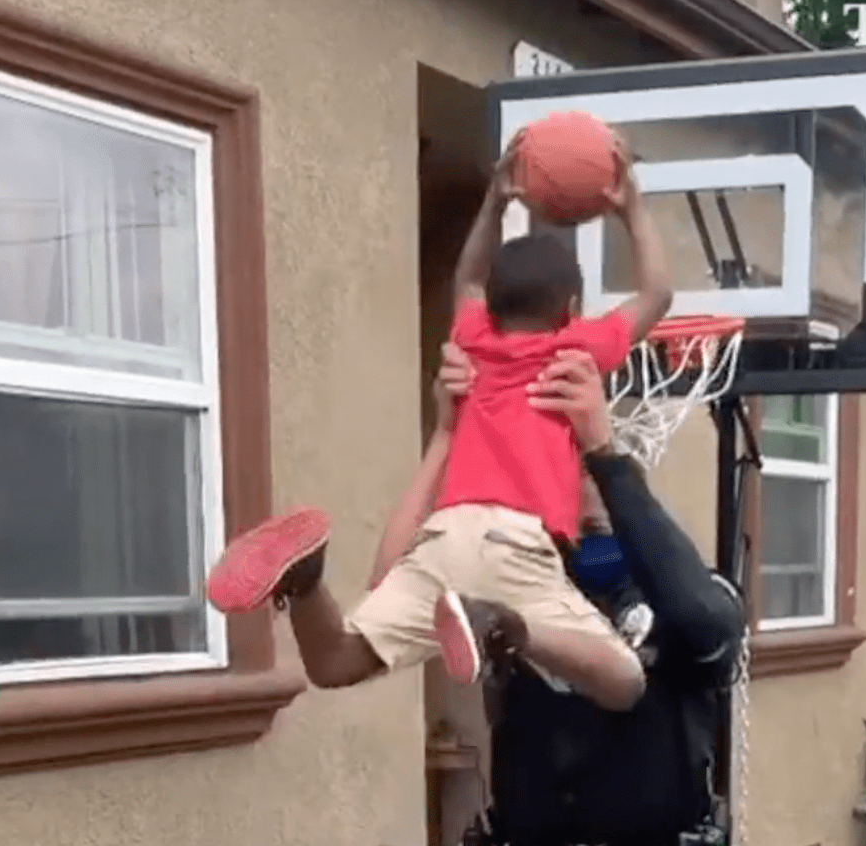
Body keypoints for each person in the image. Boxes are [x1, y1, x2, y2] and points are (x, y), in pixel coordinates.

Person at [206, 130, 672, 711]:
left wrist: (495, 201)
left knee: (337, 661)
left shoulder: (472, 341)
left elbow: (467, 279)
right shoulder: (572, 353)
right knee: (625, 682)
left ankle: (304, 583)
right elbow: (657, 294)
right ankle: (506, 626)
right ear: (572, 311)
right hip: (517, 544)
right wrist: (632, 207)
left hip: (445, 535)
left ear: (489, 308)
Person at [438, 344, 747, 846]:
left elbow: (699, 619)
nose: (580, 493)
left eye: (588, 476)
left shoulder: (683, 599)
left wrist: (605, 455)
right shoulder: (524, 591)